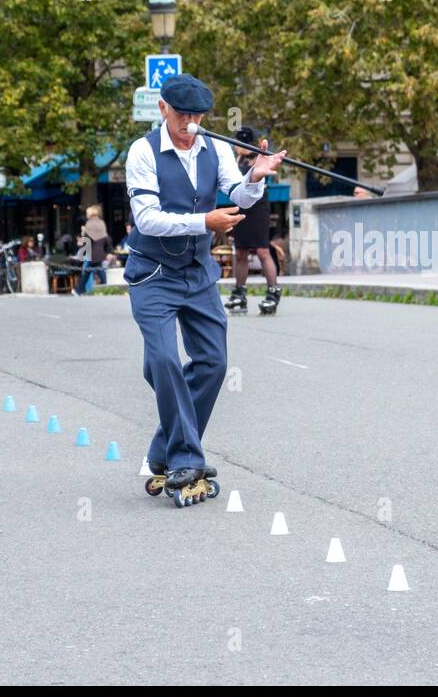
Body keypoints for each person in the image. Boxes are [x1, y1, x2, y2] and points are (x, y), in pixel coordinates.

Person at [123, 73, 286, 501]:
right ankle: (186, 459)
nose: (190, 123)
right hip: (153, 272)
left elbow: (237, 195)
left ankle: (165, 451)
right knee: (162, 361)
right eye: (182, 115)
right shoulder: (142, 152)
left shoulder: (213, 148)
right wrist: (204, 222)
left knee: (212, 362)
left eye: (196, 116)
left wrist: (254, 178)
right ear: (163, 109)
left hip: (197, 273)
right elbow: (148, 219)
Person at [224, 128, 281, 315]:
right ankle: (239, 292)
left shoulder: (259, 158)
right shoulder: (236, 160)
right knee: (240, 251)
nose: (235, 146)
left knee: (262, 250)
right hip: (240, 205)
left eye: (238, 143)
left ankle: (273, 291)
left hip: (258, 208)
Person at [75, 205, 111, 295]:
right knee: (96, 270)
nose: (86, 214)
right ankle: (79, 290)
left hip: (92, 252)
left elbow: (87, 240)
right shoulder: (101, 222)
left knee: (91, 271)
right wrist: (108, 250)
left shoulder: (90, 224)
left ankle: (79, 290)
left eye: (87, 213)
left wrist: (81, 252)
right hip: (100, 251)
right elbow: (105, 238)